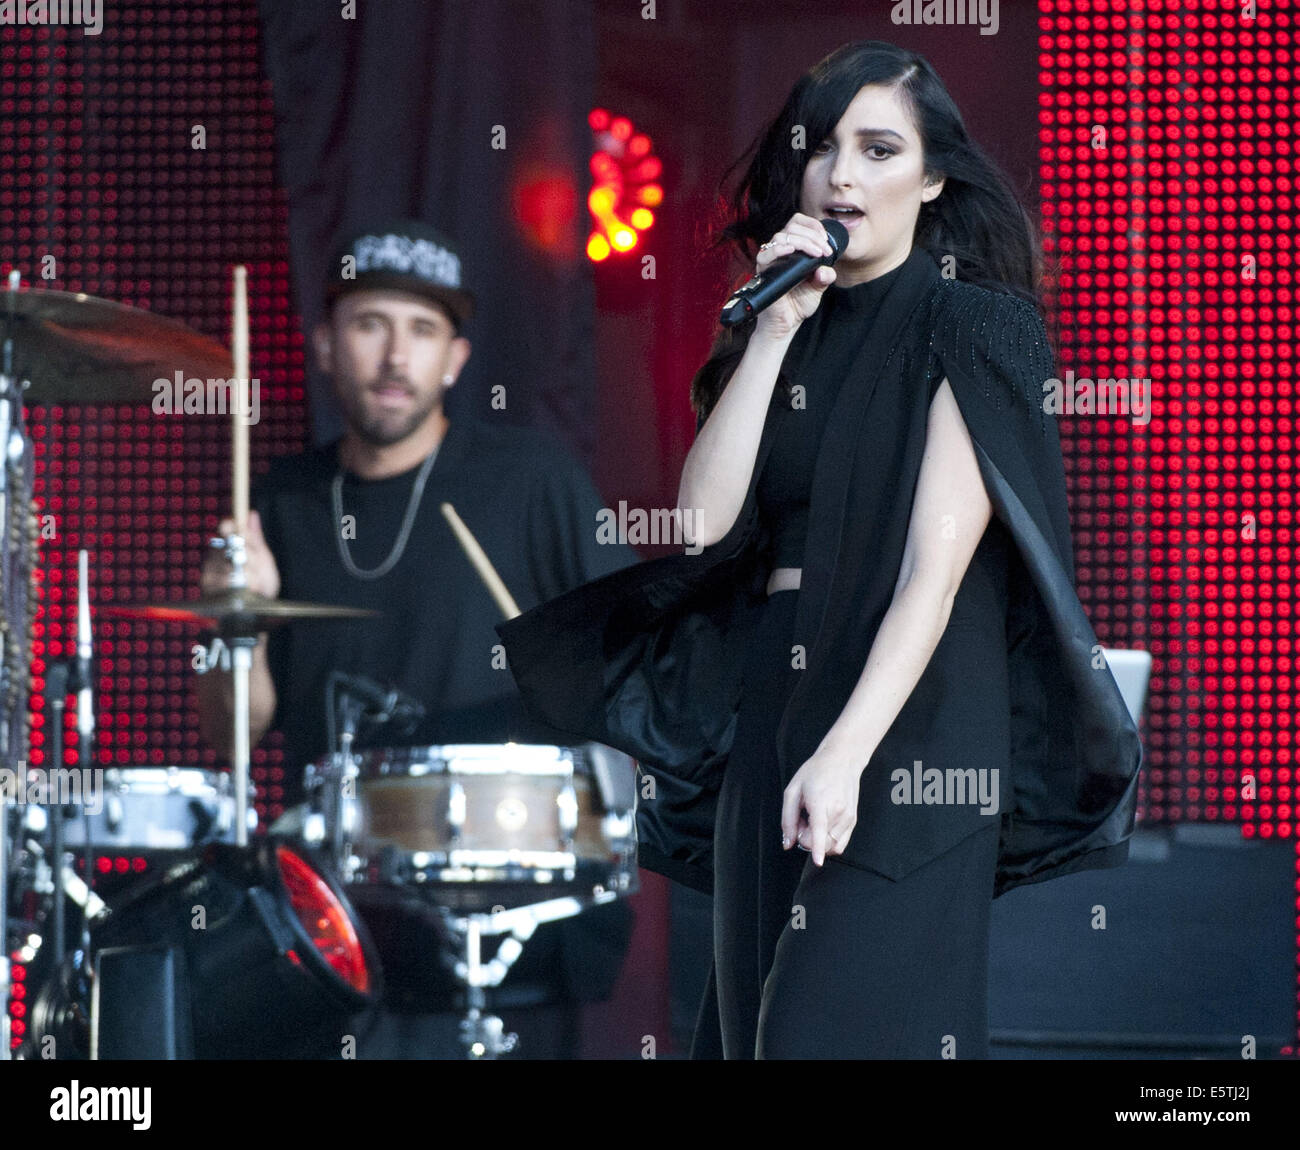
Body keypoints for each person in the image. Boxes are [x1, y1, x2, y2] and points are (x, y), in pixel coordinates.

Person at [497, 41, 1142, 1059]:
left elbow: (935, 575)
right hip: (778, 682)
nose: (841, 174)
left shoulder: (977, 325)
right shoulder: (777, 322)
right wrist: (769, 329)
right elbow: (702, 527)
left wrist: (846, 752)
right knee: (755, 1027)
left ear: (932, 180)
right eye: (822, 148)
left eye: (878, 149)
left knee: (822, 1029)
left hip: (914, 713)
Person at [196, 219, 636, 1058]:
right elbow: (234, 732)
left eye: (423, 330)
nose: (396, 357)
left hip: (512, 911)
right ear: (325, 345)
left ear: (456, 360)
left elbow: (628, 657)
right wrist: (236, 625)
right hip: (334, 925)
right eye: (370, 324)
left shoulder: (530, 478)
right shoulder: (280, 499)